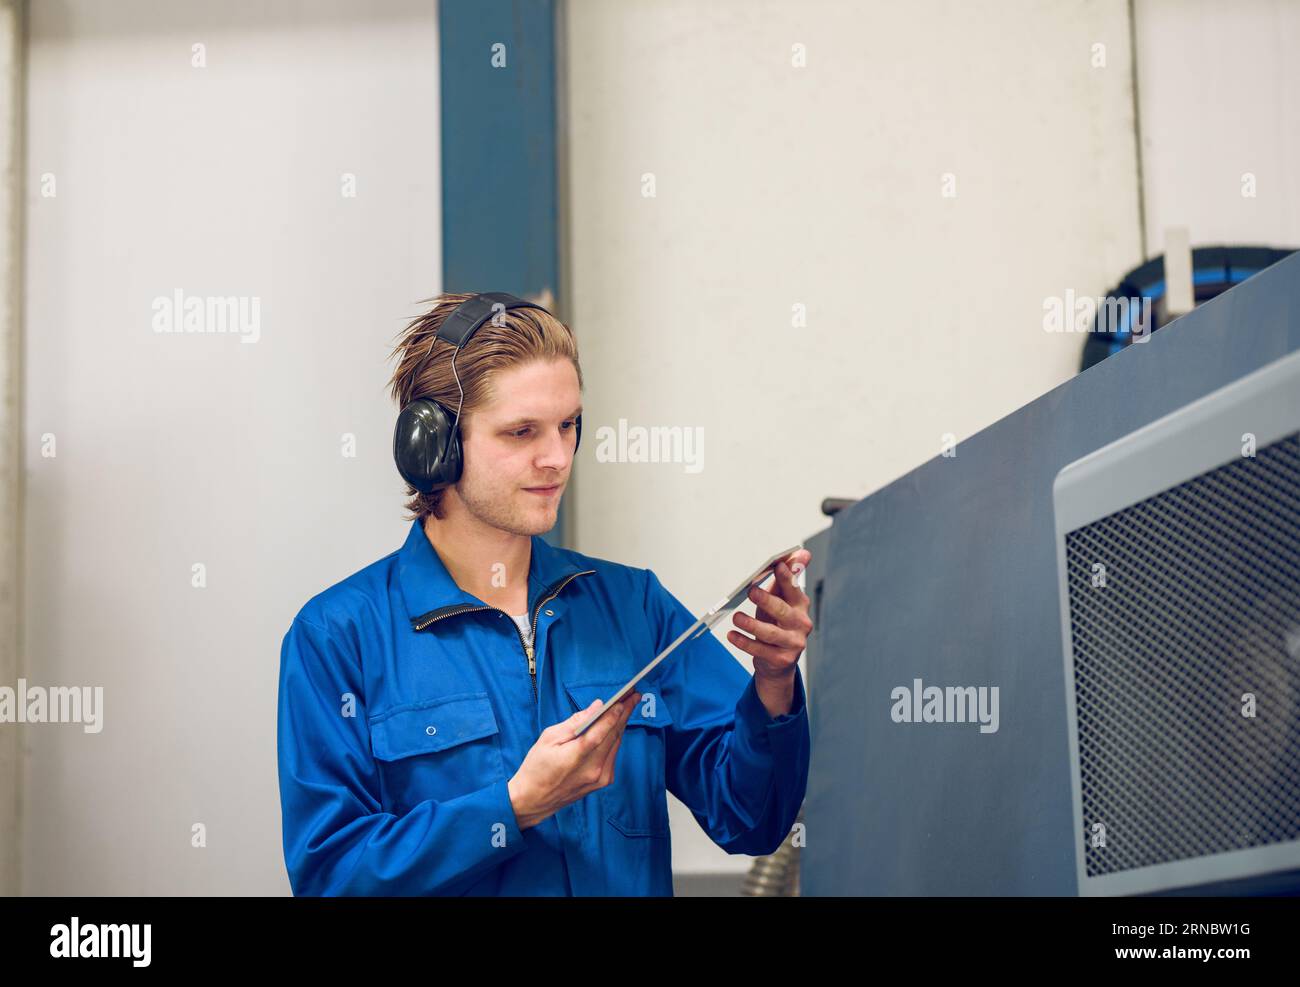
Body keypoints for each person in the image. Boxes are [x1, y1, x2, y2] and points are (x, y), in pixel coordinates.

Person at [276, 291, 813, 895]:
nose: (557, 458)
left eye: (568, 425)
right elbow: (330, 879)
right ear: (434, 448)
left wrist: (773, 686)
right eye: (521, 431)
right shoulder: (338, 638)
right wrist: (513, 809)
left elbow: (753, 820)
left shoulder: (632, 606)